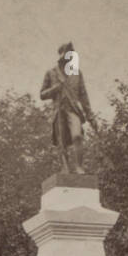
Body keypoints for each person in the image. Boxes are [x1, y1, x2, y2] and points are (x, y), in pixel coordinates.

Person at [40, 41, 95, 174]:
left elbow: (84, 96)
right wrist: (55, 88)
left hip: (73, 110)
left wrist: (90, 116)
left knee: (77, 136)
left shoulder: (77, 74)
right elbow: (42, 94)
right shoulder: (51, 73)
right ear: (61, 57)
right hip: (59, 111)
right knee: (62, 142)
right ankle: (65, 168)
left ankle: (79, 166)